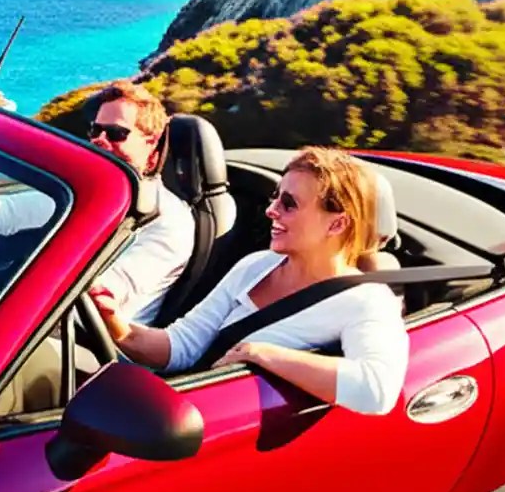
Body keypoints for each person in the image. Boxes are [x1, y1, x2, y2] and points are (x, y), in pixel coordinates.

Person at [91, 146, 409, 416]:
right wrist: (115, 322)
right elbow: (184, 345)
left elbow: (376, 391)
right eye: (275, 198)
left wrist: (260, 354)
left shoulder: (367, 301)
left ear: (337, 224)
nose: (271, 210)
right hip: (190, 412)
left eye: (289, 204)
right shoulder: (257, 265)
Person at [0, 79, 196, 327]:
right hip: (49, 324)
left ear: (153, 143)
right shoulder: (96, 196)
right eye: (96, 131)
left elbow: (102, 299)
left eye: (116, 134)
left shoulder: (170, 222)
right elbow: (13, 211)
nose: (100, 140)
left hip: (89, 350)